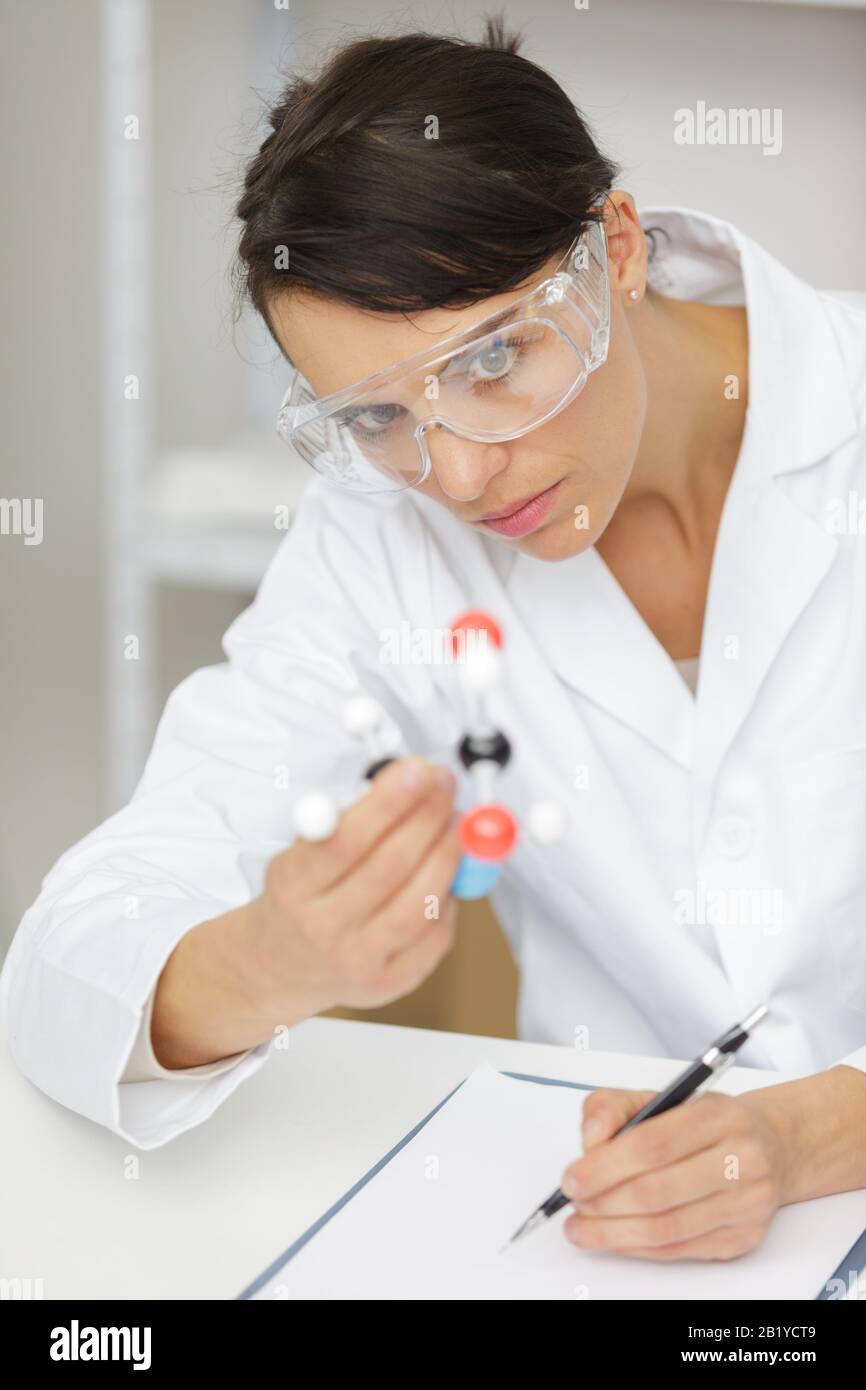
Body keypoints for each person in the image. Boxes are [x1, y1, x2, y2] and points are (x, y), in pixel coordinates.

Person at [4, 19, 866, 1265]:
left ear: (614, 249)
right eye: (374, 415)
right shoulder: (379, 528)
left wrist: (811, 1137)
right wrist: (261, 960)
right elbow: (71, 954)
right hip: (600, 1238)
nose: (456, 472)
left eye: (497, 357)